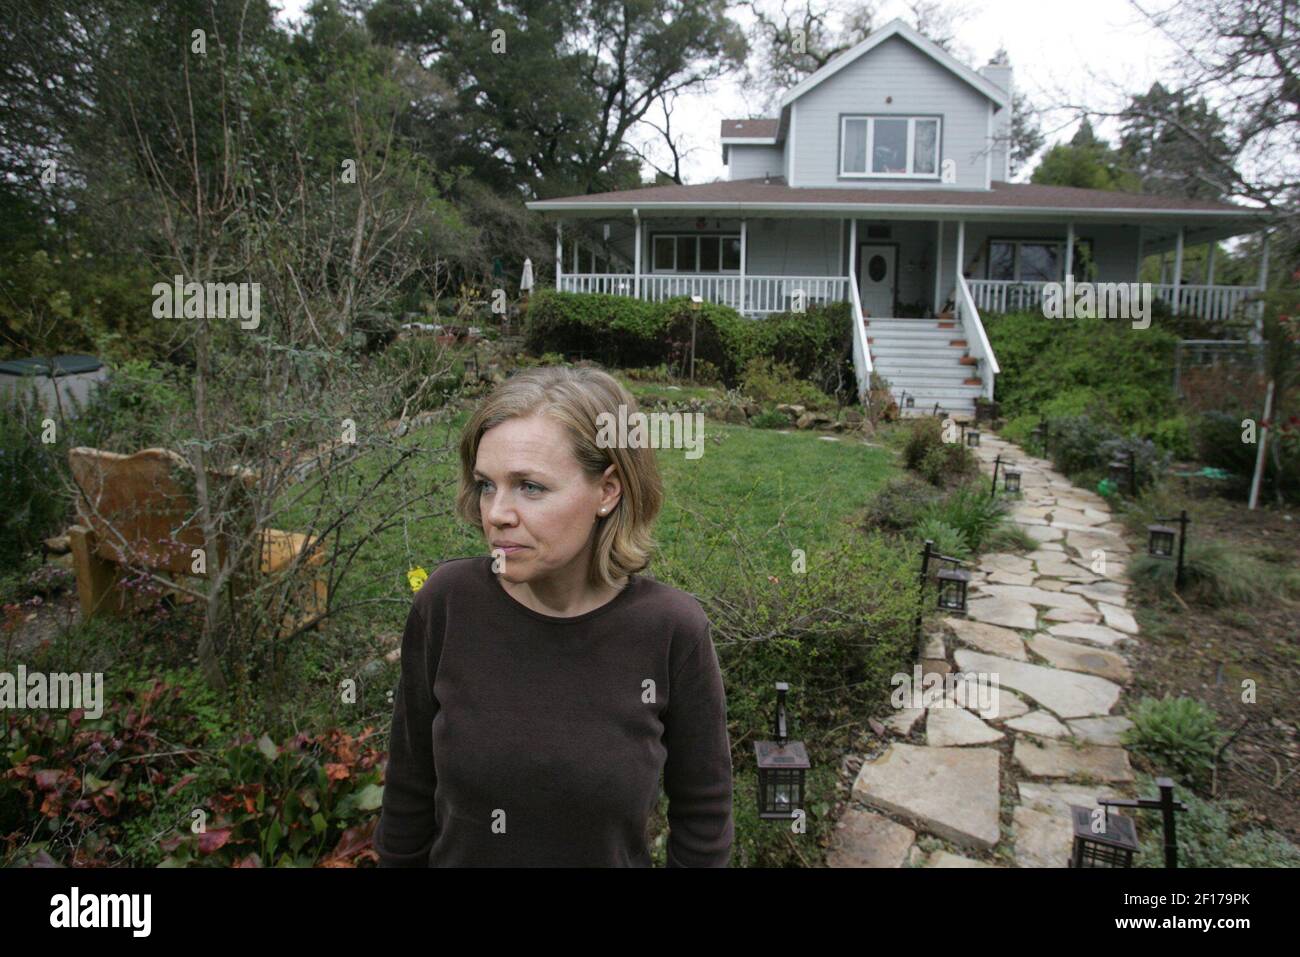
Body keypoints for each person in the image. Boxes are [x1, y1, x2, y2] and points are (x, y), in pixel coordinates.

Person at [374, 365, 734, 867]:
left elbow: (704, 814)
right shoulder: (448, 604)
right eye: (486, 485)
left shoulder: (672, 631)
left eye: (530, 487)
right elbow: (408, 792)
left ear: (608, 491)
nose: (497, 513)